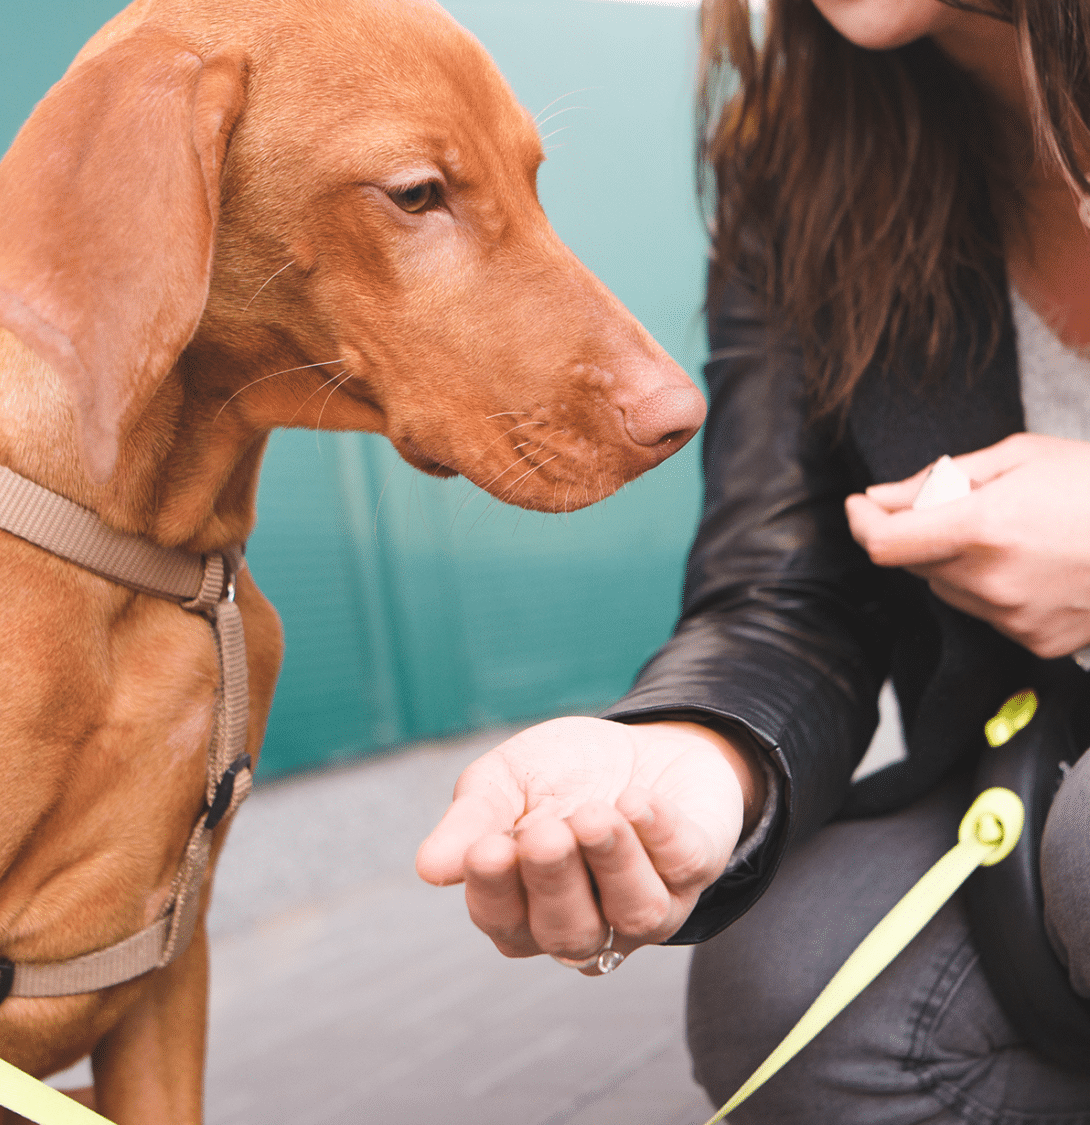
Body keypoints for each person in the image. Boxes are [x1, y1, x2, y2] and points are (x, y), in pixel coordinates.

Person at [416, 0, 1090, 1119]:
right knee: (784, 985)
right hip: (1038, 747)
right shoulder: (803, 156)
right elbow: (788, 585)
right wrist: (694, 752)